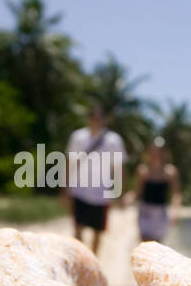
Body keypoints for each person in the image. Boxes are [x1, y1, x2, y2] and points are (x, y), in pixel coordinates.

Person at [63, 106, 127, 254]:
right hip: (79, 190)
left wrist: (120, 193)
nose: (96, 120)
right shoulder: (77, 137)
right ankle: (80, 259)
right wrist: (65, 187)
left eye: (99, 117)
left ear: (104, 119)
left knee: (98, 232)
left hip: (102, 194)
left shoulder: (114, 140)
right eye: (93, 116)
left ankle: (93, 259)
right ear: (88, 118)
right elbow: (68, 162)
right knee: (78, 228)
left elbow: (119, 168)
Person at [129, 136, 181, 243]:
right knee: (145, 243)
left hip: (161, 212)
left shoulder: (170, 172)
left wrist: (175, 210)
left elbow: (177, 194)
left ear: (165, 153)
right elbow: (136, 192)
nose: (157, 154)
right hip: (145, 211)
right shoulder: (142, 171)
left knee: (157, 245)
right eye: (154, 151)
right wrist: (128, 198)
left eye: (160, 151)